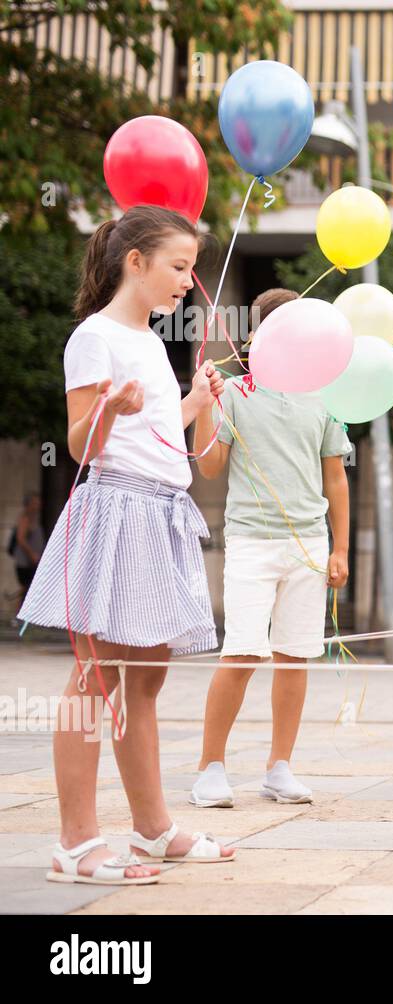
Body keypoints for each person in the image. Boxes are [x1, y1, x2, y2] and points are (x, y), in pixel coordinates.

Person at [20, 205, 236, 886]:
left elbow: (156, 435)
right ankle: (75, 845)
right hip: (114, 509)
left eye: (192, 268)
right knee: (95, 678)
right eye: (178, 266)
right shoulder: (94, 336)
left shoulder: (149, 339)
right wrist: (108, 411)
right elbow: (83, 444)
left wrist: (193, 404)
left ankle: (152, 829)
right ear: (134, 262)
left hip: (160, 511)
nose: (187, 281)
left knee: (146, 678)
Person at [189, 288, 352, 808]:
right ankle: (209, 768)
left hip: (308, 541)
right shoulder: (234, 392)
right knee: (240, 652)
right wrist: (206, 406)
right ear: (257, 334)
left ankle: (279, 767)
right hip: (251, 539)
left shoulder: (325, 396)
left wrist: (339, 549)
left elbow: (336, 478)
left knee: (295, 658)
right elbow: (209, 467)